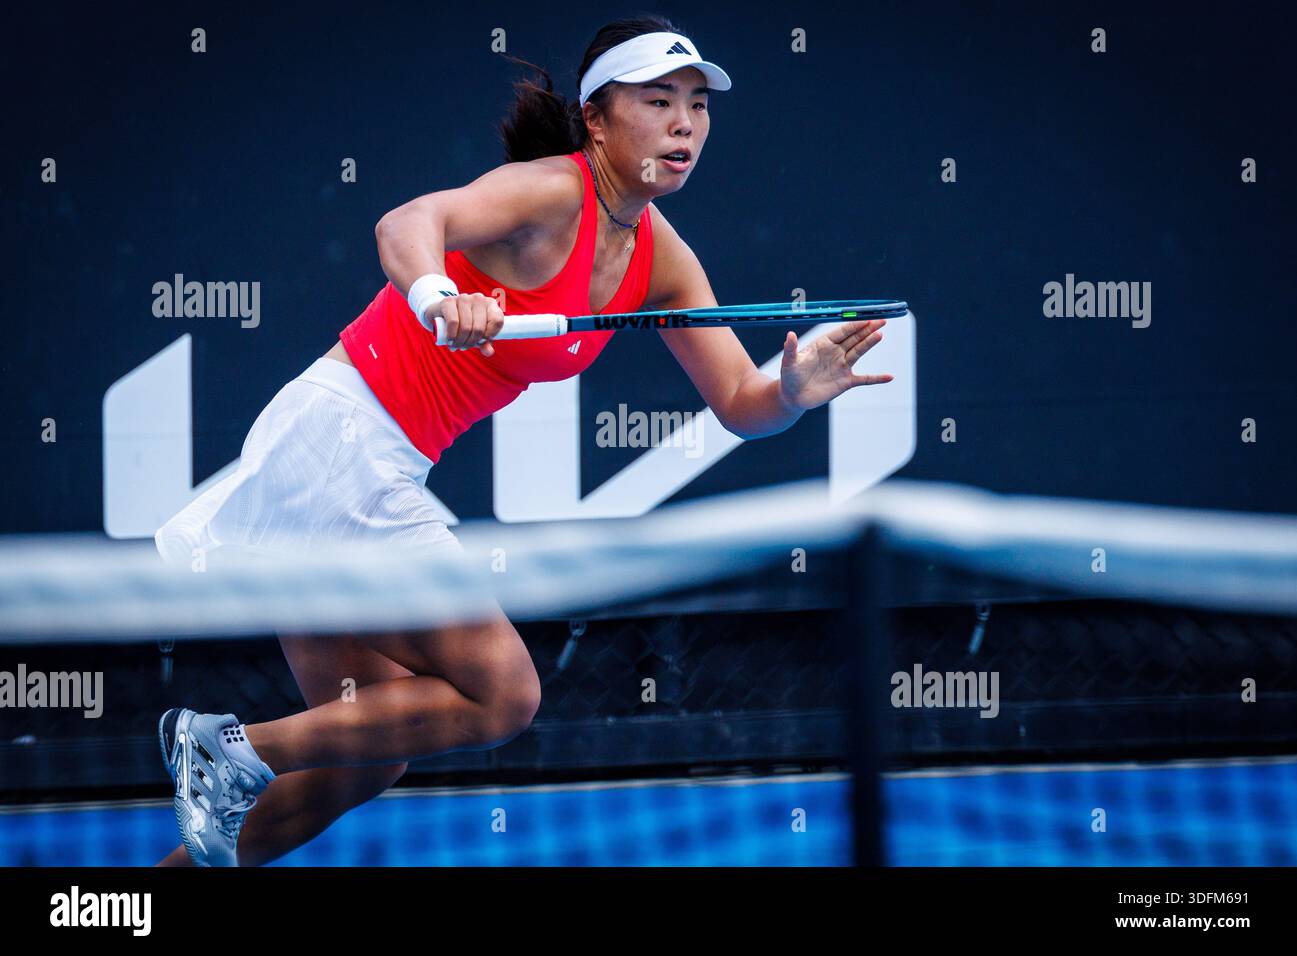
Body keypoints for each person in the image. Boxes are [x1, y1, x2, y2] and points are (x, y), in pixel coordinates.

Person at [154, 14, 893, 866]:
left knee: (365, 757)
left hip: (360, 457)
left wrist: (794, 392)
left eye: (696, 104)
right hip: (341, 444)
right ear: (598, 120)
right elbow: (406, 222)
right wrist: (439, 300)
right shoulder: (553, 193)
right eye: (658, 100)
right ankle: (229, 749)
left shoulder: (659, 259)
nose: (686, 122)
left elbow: (738, 398)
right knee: (504, 694)